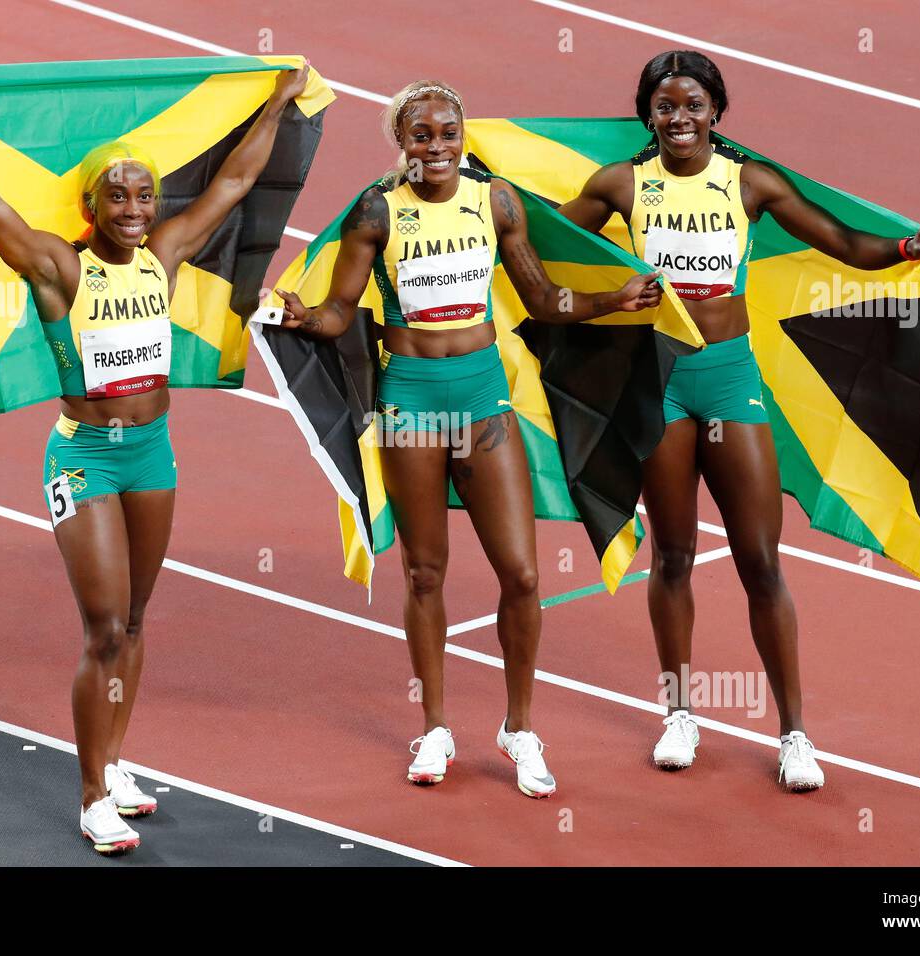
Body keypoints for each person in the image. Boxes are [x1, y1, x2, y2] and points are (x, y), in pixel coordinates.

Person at [0, 64, 310, 852]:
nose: (137, 210)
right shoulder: (59, 267)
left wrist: (276, 102)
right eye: (119, 196)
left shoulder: (163, 254)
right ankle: (91, 794)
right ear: (90, 205)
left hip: (153, 454)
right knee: (105, 626)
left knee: (136, 622)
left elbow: (236, 183)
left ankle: (115, 759)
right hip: (85, 461)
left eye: (145, 195)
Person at [560, 51, 920, 790]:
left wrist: (907, 246)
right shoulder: (619, 184)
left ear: (717, 112)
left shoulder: (750, 183)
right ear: (647, 114)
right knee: (672, 556)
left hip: (729, 377)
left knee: (760, 563)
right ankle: (680, 714)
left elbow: (843, 245)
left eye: (694, 106)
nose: (680, 120)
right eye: (666, 107)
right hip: (659, 383)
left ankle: (795, 734)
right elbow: (543, 243)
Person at [276, 80, 662, 798]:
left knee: (521, 573)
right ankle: (435, 727)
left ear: (462, 135)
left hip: (484, 398)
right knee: (426, 571)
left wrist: (615, 299)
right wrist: (305, 321)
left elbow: (542, 300)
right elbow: (338, 311)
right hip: (412, 404)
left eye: (447, 132)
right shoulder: (376, 211)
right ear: (403, 145)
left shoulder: (496, 201)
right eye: (421, 135)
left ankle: (519, 729)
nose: (437, 146)